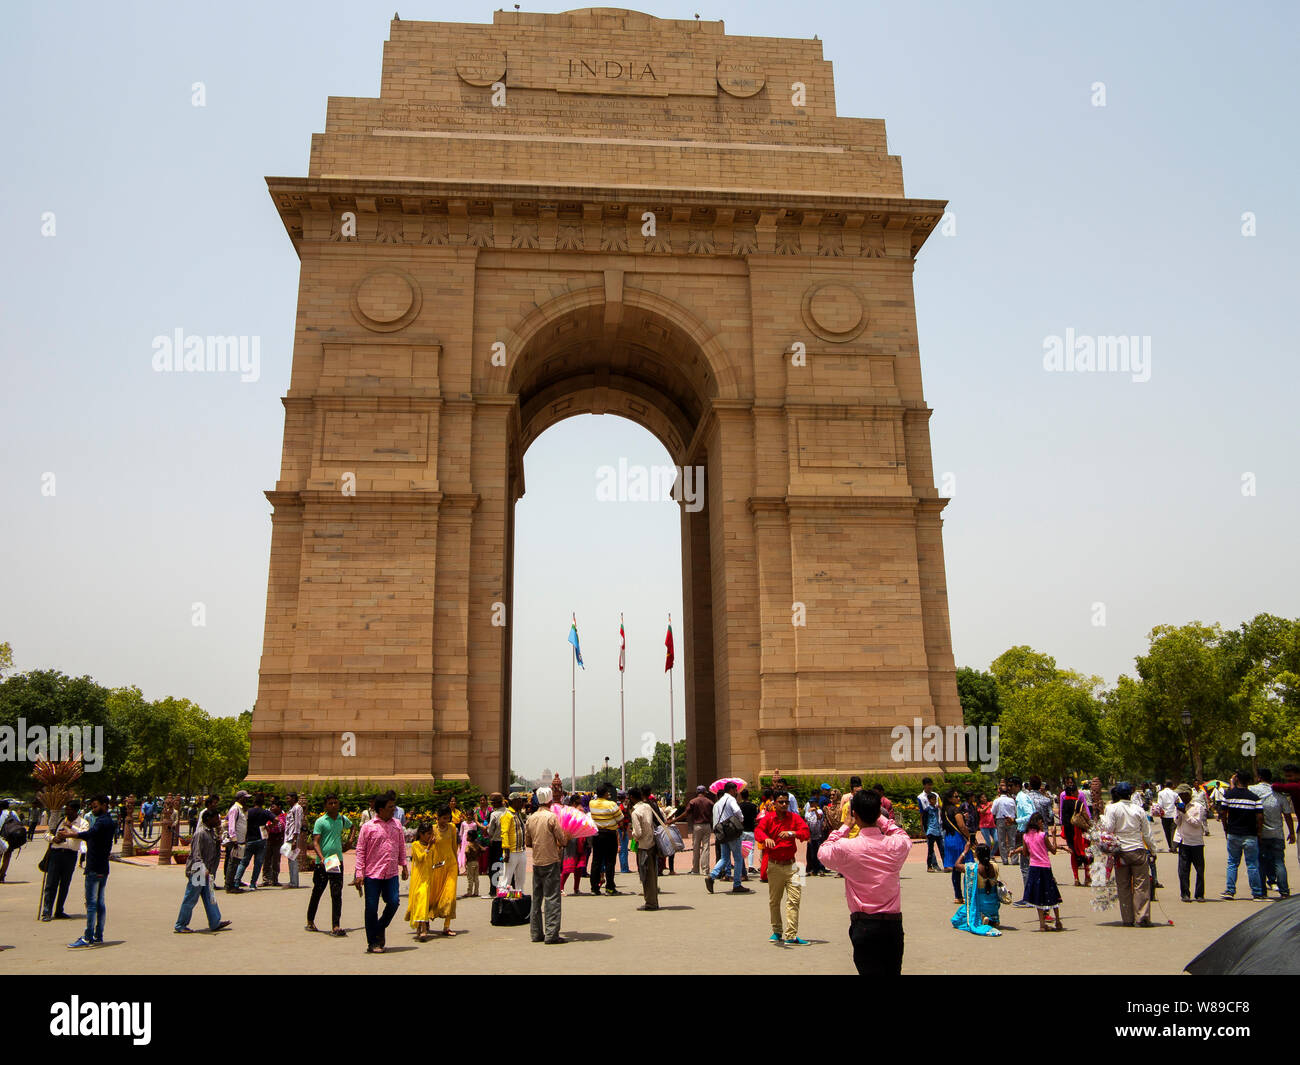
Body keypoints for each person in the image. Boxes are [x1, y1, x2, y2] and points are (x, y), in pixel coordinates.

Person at [818, 789, 912, 975]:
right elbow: (903, 836)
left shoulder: (847, 848)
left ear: (855, 814)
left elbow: (823, 851)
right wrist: (882, 820)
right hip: (892, 925)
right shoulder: (895, 845)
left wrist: (844, 827)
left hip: (864, 925)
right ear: (878, 813)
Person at [354, 793, 409, 953]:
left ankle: (379, 927)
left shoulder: (397, 824)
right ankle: (373, 942)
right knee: (371, 908)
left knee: (393, 902)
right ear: (380, 809)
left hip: (391, 872)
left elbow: (401, 845)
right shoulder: (368, 827)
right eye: (390, 807)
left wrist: (404, 865)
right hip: (372, 874)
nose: (394, 810)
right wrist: (359, 873)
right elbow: (360, 850)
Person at [58, 795, 115, 948]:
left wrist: (70, 833)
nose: (93, 809)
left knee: (91, 903)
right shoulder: (109, 821)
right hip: (103, 866)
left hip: (95, 866)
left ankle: (88, 936)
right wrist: (73, 830)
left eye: (96, 806)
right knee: (100, 902)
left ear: (104, 805)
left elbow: (89, 834)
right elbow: (91, 835)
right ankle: (98, 934)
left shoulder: (102, 822)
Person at [755, 792, 811, 944]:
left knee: (794, 900)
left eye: (786, 802)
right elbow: (758, 831)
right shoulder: (768, 818)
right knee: (774, 901)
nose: (784, 805)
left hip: (794, 865)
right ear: (774, 804)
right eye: (781, 802)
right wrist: (765, 838)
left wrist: (792, 833)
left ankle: (791, 935)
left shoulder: (794, 818)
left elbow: (805, 832)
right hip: (774, 865)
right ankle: (777, 931)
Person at [1099, 782, 1156, 926]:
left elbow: (1108, 828)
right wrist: (1153, 850)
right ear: (1130, 794)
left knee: (1123, 886)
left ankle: (1128, 918)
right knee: (1141, 886)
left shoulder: (1112, 809)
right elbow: (1147, 833)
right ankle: (1142, 917)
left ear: (1117, 794)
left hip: (1121, 852)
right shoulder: (1139, 810)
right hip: (1137, 850)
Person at [174, 808, 232, 934]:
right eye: (216, 818)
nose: (218, 820)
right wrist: (202, 868)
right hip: (198, 871)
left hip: (207, 870)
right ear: (208, 819)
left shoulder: (211, 832)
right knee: (191, 898)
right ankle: (181, 924)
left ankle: (215, 921)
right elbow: (196, 854)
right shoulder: (200, 833)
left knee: (210, 897)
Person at [525, 786, 569, 943]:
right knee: (552, 898)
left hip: (537, 862)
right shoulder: (551, 818)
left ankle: (536, 933)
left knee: (537, 899)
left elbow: (528, 842)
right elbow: (562, 840)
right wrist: (566, 837)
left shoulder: (530, 819)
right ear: (550, 800)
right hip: (551, 861)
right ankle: (551, 934)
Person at [306, 793, 351, 937]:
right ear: (325, 805)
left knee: (336, 893)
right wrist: (322, 858)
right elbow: (315, 842)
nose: (333, 805)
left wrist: (349, 842)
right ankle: (310, 920)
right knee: (318, 891)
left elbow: (353, 827)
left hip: (335, 860)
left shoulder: (342, 819)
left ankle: (336, 925)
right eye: (330, 803)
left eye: (335, 803)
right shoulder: (321, 821)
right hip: (325, 861)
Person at [1009, 812, 1063, 931]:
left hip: (1034, 867)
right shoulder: (1043, 835)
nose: (1042, 824)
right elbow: (1053, 850)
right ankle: (1058, 921)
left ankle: (1042, 924)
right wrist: (1054, 835)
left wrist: (1016, 851)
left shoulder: (1026, 836)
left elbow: (1025, 852)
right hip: (1045, 867)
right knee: (1052, 892)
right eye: (1041, 821)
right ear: (1038, 822)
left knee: (1038, 895)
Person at [1219, 769, 1265, 900]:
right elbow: (1260, 816)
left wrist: (1225, 827)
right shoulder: (1254, 798)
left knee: (1232, 863)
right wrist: (1259, 832)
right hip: (1250, 834)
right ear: (1249, 782)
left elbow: (1223, 813)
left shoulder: (1228, 795)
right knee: (1252, 864)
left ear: (1236, 780)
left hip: (1233, 833)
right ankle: (1257, 893)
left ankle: (1230, 890)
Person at [41, 800, 88, 921]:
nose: (67, 812)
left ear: (76, 811)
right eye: (66, 810)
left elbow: (84, 834)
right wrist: (53, 838)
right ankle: (47, 911)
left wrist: (71, 827)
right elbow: (46, 834)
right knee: (51, 883)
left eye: (70, 810)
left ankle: (59, 910)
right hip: (56, 853)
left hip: (70, 855)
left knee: (65, 884)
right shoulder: (58, 820)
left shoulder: (82, 823)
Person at [1250, 768, 1292, 898]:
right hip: (1277, 834)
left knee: (1261, 862)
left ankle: (1262, 891)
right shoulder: (1279, 795)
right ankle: (1284, 891)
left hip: (1260, 833)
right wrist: (1292, 832)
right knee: (1279, 862)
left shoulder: (1252, 790)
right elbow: (1287, 815)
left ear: (1259, 777)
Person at [705, 781, 751, 894]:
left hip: (721, 833)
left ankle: (712, 876)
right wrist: (740, 820)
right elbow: (737, 811)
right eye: (735, 790)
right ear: (731, 790)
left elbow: (715, 819)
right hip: (731, 832)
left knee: (724, 858)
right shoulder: (730, 799)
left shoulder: (717, 803)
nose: (736, 792)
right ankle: (737, 884)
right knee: (738, 858)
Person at [951, 844, 1002, 935]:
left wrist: (965, 851)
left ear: (977, 855)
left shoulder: (972, 868)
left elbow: (957, 865)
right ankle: (992, 919)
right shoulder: (994, 866)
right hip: (993, 905)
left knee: (957, 918)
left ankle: (982, 917)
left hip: (980, 904)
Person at [1173, 784, 1207, 901]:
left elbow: (1196, 823)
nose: (1180, 796)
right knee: (1183, 870)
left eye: (1182, 794)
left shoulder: (1198, 807)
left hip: (1196, 842)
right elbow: (1177, 822)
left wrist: (1185, 813)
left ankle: (1199, 894)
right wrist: (1179, 812)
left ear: (1187, 794)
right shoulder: (1180, 806)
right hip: (1184, 841)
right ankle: (1185, 893)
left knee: (1199, 870)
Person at [628, 787, 660, 910]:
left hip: (643, 846)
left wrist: (634, 836)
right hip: (652, 843)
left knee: (646, 876)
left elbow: (638, 832)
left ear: (632, 797)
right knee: (652, 875)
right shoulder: (647, 807)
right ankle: (653, 901)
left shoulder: (636, 812)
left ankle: (650, 903)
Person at [941, 788, 974, 904]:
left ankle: (958, 896)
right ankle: (968, 895)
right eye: (956, 796)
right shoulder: (955, 810)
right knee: (968, 867)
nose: (958, 798)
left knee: (956, 868)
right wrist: (970, 838)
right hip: (959, 840)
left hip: (949, 839)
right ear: (950, 798)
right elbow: (962, 826)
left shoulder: (944, 810)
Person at [588, 783, 622, 896]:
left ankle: (594, 887)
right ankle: (610, 888)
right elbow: (620, 818)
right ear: (605, 793)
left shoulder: (592, 803)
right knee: (610, 862)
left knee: (596, 861)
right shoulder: (611, 804)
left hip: (597, 834)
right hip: (609, 834)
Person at [1058, 779, 1092, 887]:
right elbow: (1086, 816)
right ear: (1073, 793)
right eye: (1077, 792)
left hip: (1069, 832)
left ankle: (1076, 878)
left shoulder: (1065, 803)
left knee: (1073, 854)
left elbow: (1063, 817)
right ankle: (1087, 878)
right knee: (1086, 854)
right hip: (1079, 832)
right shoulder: (1079, 803)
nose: (1078, 794)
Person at [407, 821, 437, 941]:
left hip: (428, 877)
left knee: (423, 902)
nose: (430, 836)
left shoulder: (432, 846)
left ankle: (420, 927)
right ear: (421, 834)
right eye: (428, 834)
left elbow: (431, 860)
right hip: (419, 878)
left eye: (431, 834)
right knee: (421, 902)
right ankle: (423, 928)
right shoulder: (415, 845)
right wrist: (429, 847)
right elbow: (420, 858)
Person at [236, 793, 271, 890]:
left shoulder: (248, 812)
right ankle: (252, 883)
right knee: (258, 863)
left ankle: (236, 881)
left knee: (243, 862)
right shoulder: (265, 812)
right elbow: (276, 819)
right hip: (261, 839)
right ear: (263, 802)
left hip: (249, 839)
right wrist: (268, 827)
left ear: (254, 802)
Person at [498, 794, 528, 894]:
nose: (521, 803)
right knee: (506, 878)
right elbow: (504, 833)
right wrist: (506, 851)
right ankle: (502, 901)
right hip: (511, 851)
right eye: (519, 801)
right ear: (513, 802)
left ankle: (520, 897)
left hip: (521, 851)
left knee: (521, 879)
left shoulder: (517, 814)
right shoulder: (507, 815)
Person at [682, 785, 714, 875]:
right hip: (707, 826)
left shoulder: (693, 801)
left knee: (696, 848)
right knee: (706, 848)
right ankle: (705, 870)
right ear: (704, 792)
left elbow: (686, 813)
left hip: (697, 826)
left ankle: (695, 869)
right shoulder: (709, 802)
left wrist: (673, 819)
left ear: (697, 792)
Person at [223, 791, 249, 893]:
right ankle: (229, 886)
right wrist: (234, 839)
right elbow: (232, 825)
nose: (246, 800)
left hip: (240, 840)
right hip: (236, 841)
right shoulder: (235, 809)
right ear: (239, 798)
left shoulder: (241, 809)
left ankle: (232, 884)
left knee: (236, 863)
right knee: (233, 863)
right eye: (245, 798)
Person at [991, 779, 1017, 865]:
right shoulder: (1012, 800)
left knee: (1002, 841)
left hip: (1000, 820)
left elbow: (993, 812)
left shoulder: (997, 800)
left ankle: (1005, 859)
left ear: (999, 792)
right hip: (1011, 820)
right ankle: (1014, 859)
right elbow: (1015, 810)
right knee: (1012, 840)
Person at [262, 797, 286, 887]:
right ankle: (266, 879)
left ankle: (274, 879)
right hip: (268, 840)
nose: (272, 808)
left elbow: (279, 828)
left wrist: (269, 827)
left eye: (273, 806)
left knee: (276, 861)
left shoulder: (282, 816)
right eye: (271, 806)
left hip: (277, 841)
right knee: (266, 860)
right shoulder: (269, 815)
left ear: (279, 807)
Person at [485, 793, 506, 892]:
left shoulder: (494, 814)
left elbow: (490, 831)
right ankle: (505, 888)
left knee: (494, 866)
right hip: (506, 843)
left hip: (496, 843)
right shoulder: (508, 813)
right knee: (505, 866)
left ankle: (493, 889)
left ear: (496, 803)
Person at [284, 793, 304, 889]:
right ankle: (292, 880)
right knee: (290, 859)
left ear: (294, 798)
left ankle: (294, 882)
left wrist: (295, 839)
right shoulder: (292, 809)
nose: (287, 800)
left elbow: (297, 824)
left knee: (293, 859)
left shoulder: (297, 808)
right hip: (289, 837)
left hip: (293, 837)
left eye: (288, 798)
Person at [740, 789, 761, 874]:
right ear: (748, 795)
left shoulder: (739, 805)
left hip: (742, 830)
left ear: (741, 796)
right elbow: (755, 818)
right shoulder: (753, 806)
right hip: (750, 829)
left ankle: (742, 867)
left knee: (742, 849)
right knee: (751, 849)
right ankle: (751, 867)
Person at [804, 796, 826, 876]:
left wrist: (815, 811)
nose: (811, 804)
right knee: (812, 853)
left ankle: (821, 869)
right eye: (810, 803)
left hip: (819, 835)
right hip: (811, 835)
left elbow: (819, 818)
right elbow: (806, 823)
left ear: (816, 803)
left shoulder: (819, 811)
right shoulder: (808, 813)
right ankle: (813, 869)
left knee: (819, 852)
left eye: (812, 802)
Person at [1156, 779, 1180, 852]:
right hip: (1173, 814)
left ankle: (1170, 846)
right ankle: (1174, 846)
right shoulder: (1175, 794)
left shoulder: (1160, 793)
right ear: (1172, 786)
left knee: (1167, 831)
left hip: (1165, 815)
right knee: (1173, 831)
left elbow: (1159, 805)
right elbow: (1177, 803)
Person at [922, 792, 943, 872]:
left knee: (942, 848)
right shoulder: (927, 810)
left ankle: (946, 865)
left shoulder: (937, 808)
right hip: (931, 831)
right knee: (931, 850)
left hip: (938, 831)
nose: (934, 801)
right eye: (933, 799)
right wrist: (926, 831)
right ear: (929, 800)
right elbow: (924, 821)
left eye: (935, 799)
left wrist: (941, 808)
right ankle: (929, 866)